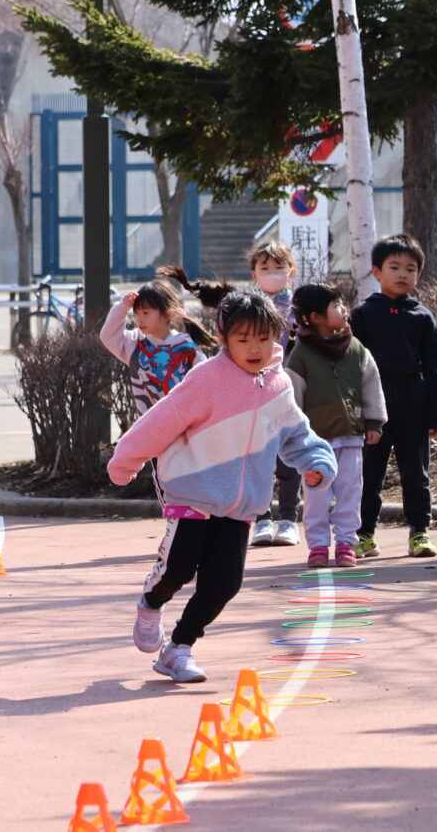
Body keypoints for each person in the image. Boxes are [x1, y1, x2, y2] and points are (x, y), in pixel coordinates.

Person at [107, 290, 336, 683]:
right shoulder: (207, 378)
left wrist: (317, 463)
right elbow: (161, 421)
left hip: (241, 503)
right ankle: (151, 602)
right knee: (179, 568)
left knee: (225, 583)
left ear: (276, 338)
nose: (254, 349)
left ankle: (179, 648)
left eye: (263, 339)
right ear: (223, 336)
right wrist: (126, 460)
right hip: (191, 488)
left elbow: (297, 434)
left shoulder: (278, 386)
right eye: (243, 340)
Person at [350, 234, 437, 560]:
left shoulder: (422, 317)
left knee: (415, 472)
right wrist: (354, 408)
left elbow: (434, 367)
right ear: (377, 272)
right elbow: (352, 364)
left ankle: (419, 532)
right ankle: (364, 534)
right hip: (374, 402)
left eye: (411, 268)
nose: (403, 274)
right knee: (369, 473)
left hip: (412, 400)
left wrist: (436, 411)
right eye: (394, 267)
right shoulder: (362, 315)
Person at [285, 283, 387, 568]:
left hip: (351, 436)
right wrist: (295, 435)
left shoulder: (355, 348)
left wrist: (374, 421)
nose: (345, 311)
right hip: (315, 444)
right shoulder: (301, 353)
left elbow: (371, 385)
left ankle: (346, 542)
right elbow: (293, 396)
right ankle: (317, 545)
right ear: (316, 317)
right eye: (337, 306)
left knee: (350, 491)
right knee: (316, 496)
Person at [244, 240, 304, 547]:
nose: (272, 273)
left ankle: (289, 519)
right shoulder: (243, 308)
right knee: (257, 457)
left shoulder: (298, 308)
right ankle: (262, 518)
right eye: (264, 268)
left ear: (290, 271)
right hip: (252, 392)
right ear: (254, 273)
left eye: (278, 267)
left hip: (288, 392)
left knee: (288, 457)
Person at [100, 272, 214, 418]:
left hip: (184, 427)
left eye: (146, 313)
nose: (139, 319)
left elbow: (205, 380)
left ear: (167, 314)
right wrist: (122, 307)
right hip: (149, 430)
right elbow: (108, 336)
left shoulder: (185, 346)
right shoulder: (134, 343)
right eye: (136, 313)